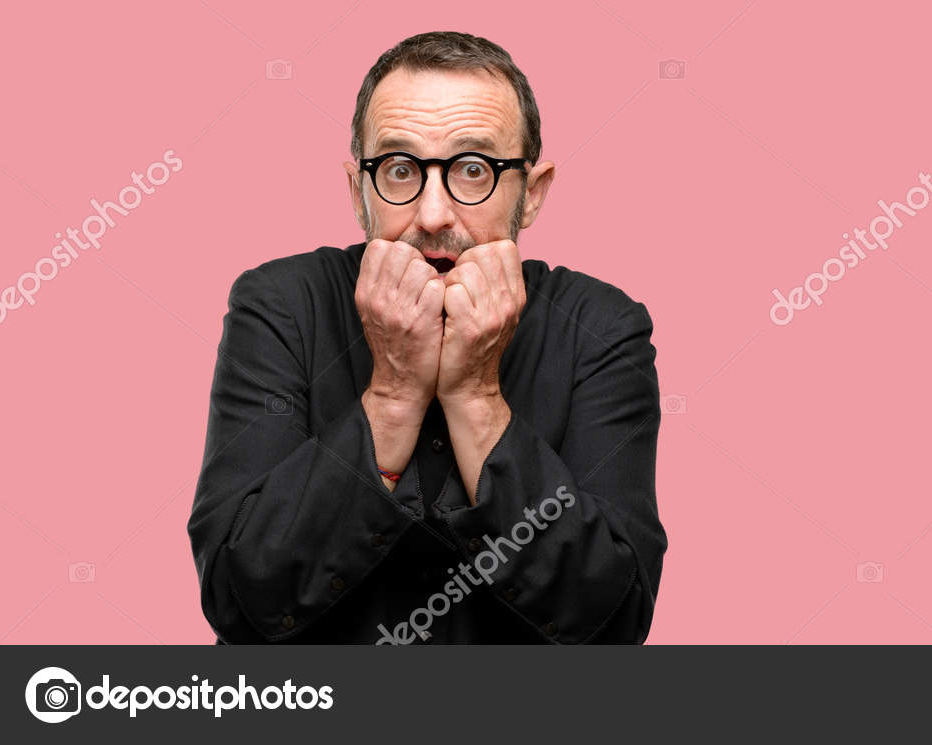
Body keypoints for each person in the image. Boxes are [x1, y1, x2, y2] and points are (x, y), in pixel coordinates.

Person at [187, 31, 666, 644]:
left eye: (474, 170)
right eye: (400, 169)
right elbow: (239, 596)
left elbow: (614, 617)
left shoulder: (602, 327)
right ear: (358, 192)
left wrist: (475, 395)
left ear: (533, 193)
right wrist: (392, 393)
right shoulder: (280, 306)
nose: (434, 213)